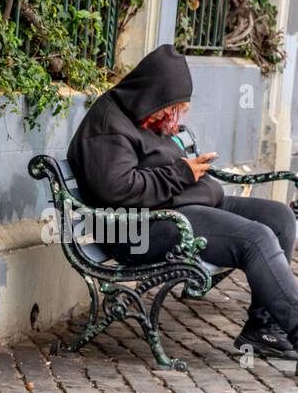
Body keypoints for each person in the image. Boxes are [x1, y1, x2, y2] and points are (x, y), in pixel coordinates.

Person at [68, 44, 298, 359]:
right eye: (172, 110)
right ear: (153, 96)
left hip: (175, 209)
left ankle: (264, 328)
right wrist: (182, 175)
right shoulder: (108, 128)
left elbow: (162, 174)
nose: (174, 122)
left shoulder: (141, 117)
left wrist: (188, 178)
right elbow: (119, 192)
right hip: (137, 229)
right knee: (255, 239)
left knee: (279, 217)